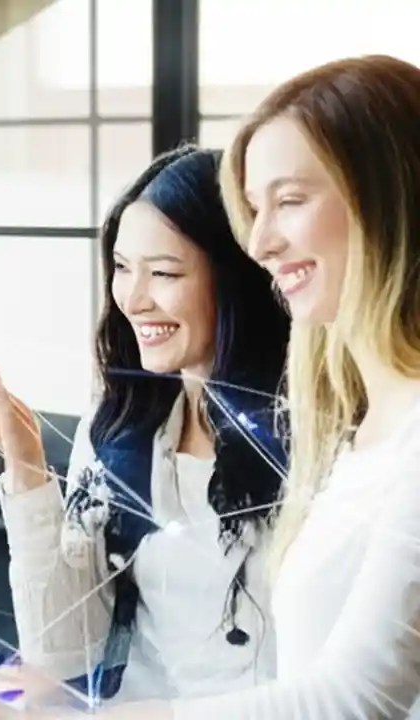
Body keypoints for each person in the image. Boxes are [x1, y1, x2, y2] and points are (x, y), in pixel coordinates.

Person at [97, 54, 420, 720]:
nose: (262, 242)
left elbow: (356, 699)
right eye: (253, 208)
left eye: (290, 201)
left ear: (385, 200)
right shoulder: (358, 434)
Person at [0, 147, 291, 704]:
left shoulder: (308, 438)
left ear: (236, 279)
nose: (134, 298)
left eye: (164, 273)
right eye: (123, 268)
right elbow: (63, 650)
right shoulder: (123, 427)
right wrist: (23, 461)